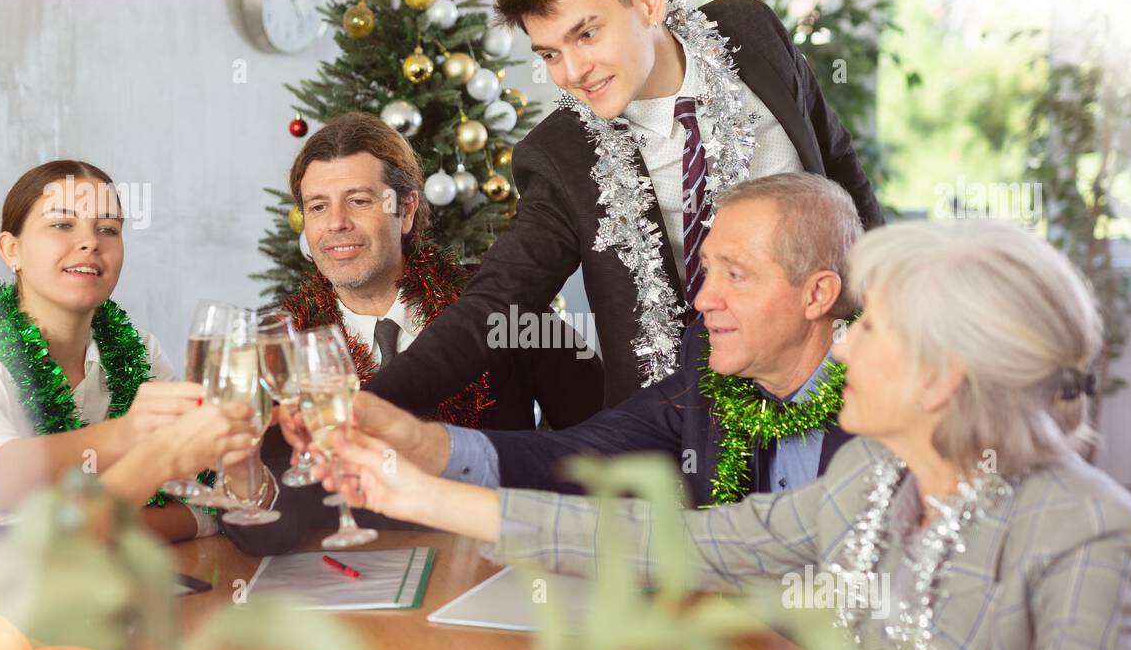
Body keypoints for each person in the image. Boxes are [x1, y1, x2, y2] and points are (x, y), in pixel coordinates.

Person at [325, 219, 1131, 650]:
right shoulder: (878, 473)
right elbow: (683, 542)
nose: (844, 351)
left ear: (941, 379)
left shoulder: (1083, 527)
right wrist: (416, 490)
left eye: (873, 331)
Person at [365, 0, 883, 419]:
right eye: (549, 53)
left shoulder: (751, 31)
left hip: (840, 380)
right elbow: (496, 300)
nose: (571, 72)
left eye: (587, 34)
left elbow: (838, 164)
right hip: (687, 426)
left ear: (648, 2)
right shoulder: (562, 154)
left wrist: (892, 316)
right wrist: (368, 404)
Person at [334, 172, 861, 508]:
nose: (702, 301)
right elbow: (582, 452)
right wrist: (426, 444)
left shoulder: (905, 406)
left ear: (817, 295)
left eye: (737, 276)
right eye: (707, 272)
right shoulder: (709, 366)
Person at [224, 112, 603, 554]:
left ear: (405, 210)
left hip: (500, 565)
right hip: (356, 584)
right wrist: (239, 471)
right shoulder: (281, 348)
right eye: (318, 206)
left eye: (360, 201)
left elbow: (601, 439)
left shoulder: (495, 309)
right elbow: (267, 528)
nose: (336, 224)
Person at [0, 160, 256, 540]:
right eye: (62, 224)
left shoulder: (140, 350)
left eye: (108, 229)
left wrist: (98, 528)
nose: (91, 241)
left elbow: (206, 497)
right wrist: (128, 436)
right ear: (12, 250)